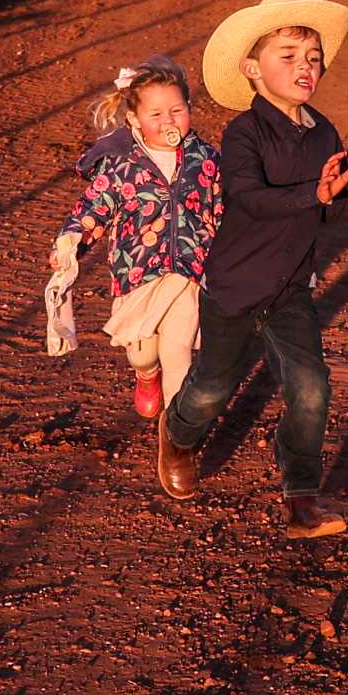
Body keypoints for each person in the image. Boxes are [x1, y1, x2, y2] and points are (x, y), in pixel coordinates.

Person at [156, 0, 348, 541]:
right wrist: (312, 195)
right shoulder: (244, 133)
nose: (306, 66)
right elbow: (249, 197)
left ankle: (301, 496)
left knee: (311, 387)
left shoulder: (324, 133)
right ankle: (178, 435)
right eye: (289, 56)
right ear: (252, 69)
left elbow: (335, 204)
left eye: (314, 58)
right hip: (234, 288)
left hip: (289, 289)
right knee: (212, 387)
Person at [45, 55, 223, 425]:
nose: (168, 121)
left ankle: (176, 431)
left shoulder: (207, 160)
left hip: (190, 273)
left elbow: (224, 208)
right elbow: (94, 207)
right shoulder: (123, 164)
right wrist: (71, 243)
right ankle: (146, 374)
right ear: (134, 119)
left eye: (177, 110)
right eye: (156, 114)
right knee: (142, 353)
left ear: (190, 108)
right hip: (138, 272)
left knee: (178, 350)